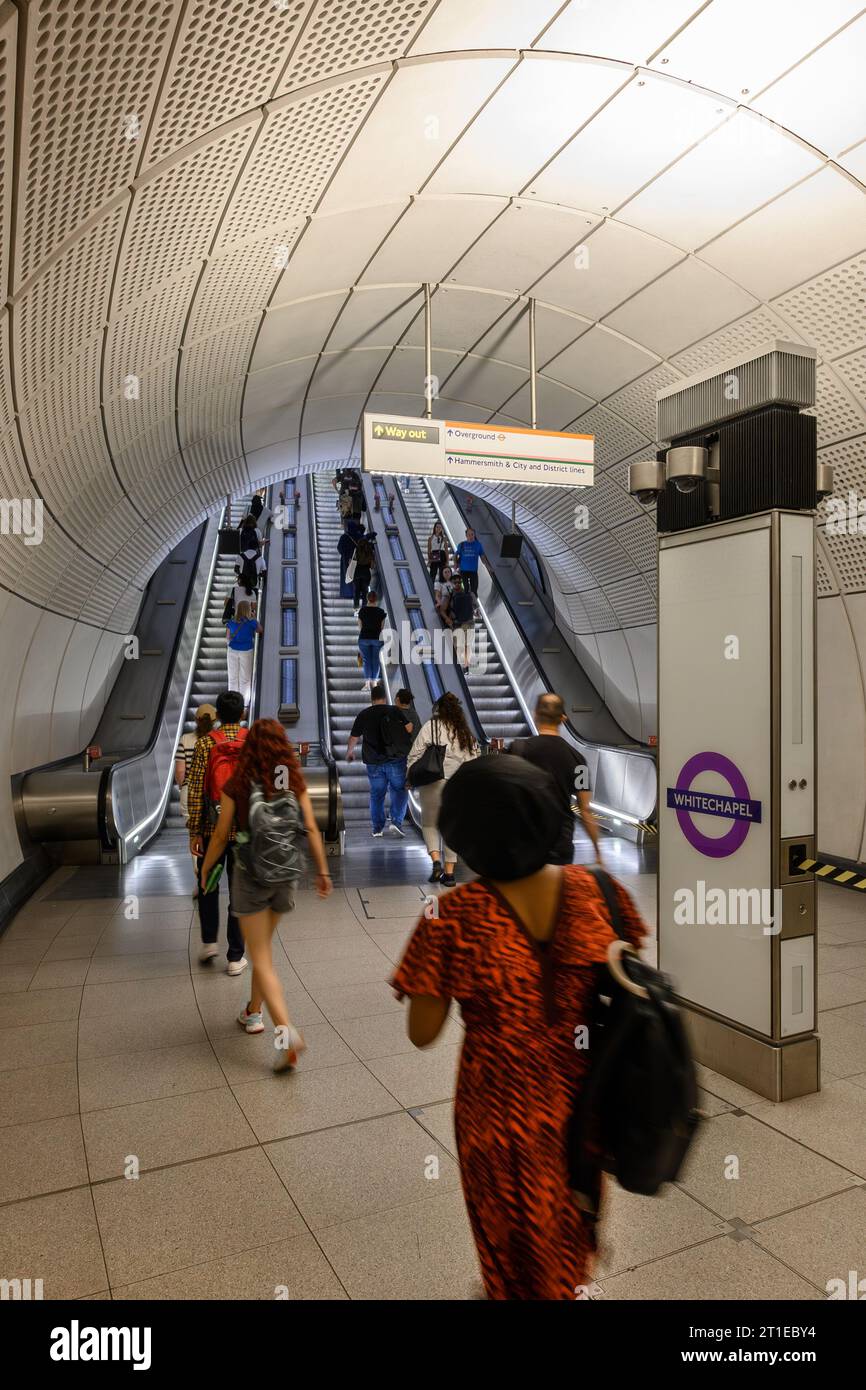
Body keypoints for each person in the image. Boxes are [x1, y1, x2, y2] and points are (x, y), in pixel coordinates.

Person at [391, 754, 647, 1300]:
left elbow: (422, 1031)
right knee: (570, 1216)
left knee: (509, 1239)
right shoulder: (601, 892)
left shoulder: (452, 918)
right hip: (584, 1101)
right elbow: (631, 975)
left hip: (497, 1113)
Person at [199, 718, 332, 1071]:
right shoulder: (290, 778)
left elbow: (221, 834)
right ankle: (252, 1012)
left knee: (261, 959)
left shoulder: (239, 783)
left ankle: (287, 1038)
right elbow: (312, 826)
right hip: (285, 876)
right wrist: (322, 871)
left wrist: (205, 871)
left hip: (251, 876)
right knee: (264, 953)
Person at [187, 690, 247, 974]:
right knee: (240, 891)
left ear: (218, 716)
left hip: (213, 830)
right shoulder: (253, 742)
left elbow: (196, 790)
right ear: (243, 713)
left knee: (208, 884)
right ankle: (235, 957)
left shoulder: (204, 744)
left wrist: (195, 831)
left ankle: (209, 941)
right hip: (244, 833)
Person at [509, 693, 602, 867]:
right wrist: (598, 852)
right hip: (561, 844)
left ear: (535, 713)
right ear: (563, 718)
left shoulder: (518, 750)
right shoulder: (578, 760)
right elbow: (585, 809)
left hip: (525, 843)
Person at [408, 692, 477, 886]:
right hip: (457, 785)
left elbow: (415, 753)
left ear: (438, 709)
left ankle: (436, 861)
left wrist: (410, 776)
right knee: (450, 827)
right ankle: (449, 874)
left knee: (429, 824)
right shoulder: (464, 731)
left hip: (432, 782)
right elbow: (473, 758)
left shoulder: (432, 727)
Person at [346, 682, 411, 837]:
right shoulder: (394, 710)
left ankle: (377, 828)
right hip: (395, 759)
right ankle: (395, 821)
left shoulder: (364, 714)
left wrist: (350, 752)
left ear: (372, 698)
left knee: (377, 794)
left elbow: (354, 736)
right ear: (385, 697)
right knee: (400, 791)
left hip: (373, 761)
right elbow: (409, 728)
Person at [175, 704, 216, 894]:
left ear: (196, 721)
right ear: (215, 720)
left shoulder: (185, 739)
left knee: (194, 834)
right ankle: (214, 872)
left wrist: (184, 786)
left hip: (189, 792)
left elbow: (180, 772)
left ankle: (200, 876)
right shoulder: (218, 740)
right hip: (215, 793)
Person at [225, 601, 261, 708]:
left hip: (232, 651)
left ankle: (232, 703)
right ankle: (244, 704)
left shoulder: (230, 622)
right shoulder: (251, 623)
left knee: (232, 677)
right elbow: (260, 630)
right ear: (248, 610)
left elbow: (227, 638)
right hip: (246, 651)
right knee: (245, 678)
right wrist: (254, 618)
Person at [357, 589, 387, 690]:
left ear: (367, 599)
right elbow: (382, 628)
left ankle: (367, 684)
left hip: (364, 638)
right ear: (376, 600)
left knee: (366, 661)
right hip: (376, 639)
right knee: (375, 660)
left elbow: (360, 627)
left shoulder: (362, 611)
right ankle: (374, 683)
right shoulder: (381, 612)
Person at [449, 576, 476, 670]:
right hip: (463, 622)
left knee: (463, 644)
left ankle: (463, 665)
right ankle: (464, 665)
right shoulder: (452, 595)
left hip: (462, 622)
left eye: (458, 582)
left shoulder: (452, 594)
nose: (457, 584)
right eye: (455, 582)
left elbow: (475, 606)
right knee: (463, 644)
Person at [337, 518, 364, 600]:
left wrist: (345, 554)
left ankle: (347, 593)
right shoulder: (359, 536)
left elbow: (339, 548)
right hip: (358, 559)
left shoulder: (344, 537)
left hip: (346, 560)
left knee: (348, 575)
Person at [455, 526, 484, 598]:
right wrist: (456, 564)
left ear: (474, 535)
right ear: (466, 535)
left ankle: (473, 606)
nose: (470, 536)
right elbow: (455, 555)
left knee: (474, 590)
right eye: (469, 535)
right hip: (463, 571)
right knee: (465, 589)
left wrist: (489, 567)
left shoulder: (478, 545)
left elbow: (483, 557)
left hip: (473, 571)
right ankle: (465, 605)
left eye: (472, 534)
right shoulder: (462, 544)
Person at [352, 531, 376, 609]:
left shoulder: (356, 550)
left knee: (356, 591)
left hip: (356, 573)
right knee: (365, 591)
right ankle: (364, 608)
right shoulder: (370, 552)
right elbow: (372, 566)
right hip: (366, 573)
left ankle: (356, 607)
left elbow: (352, 561)